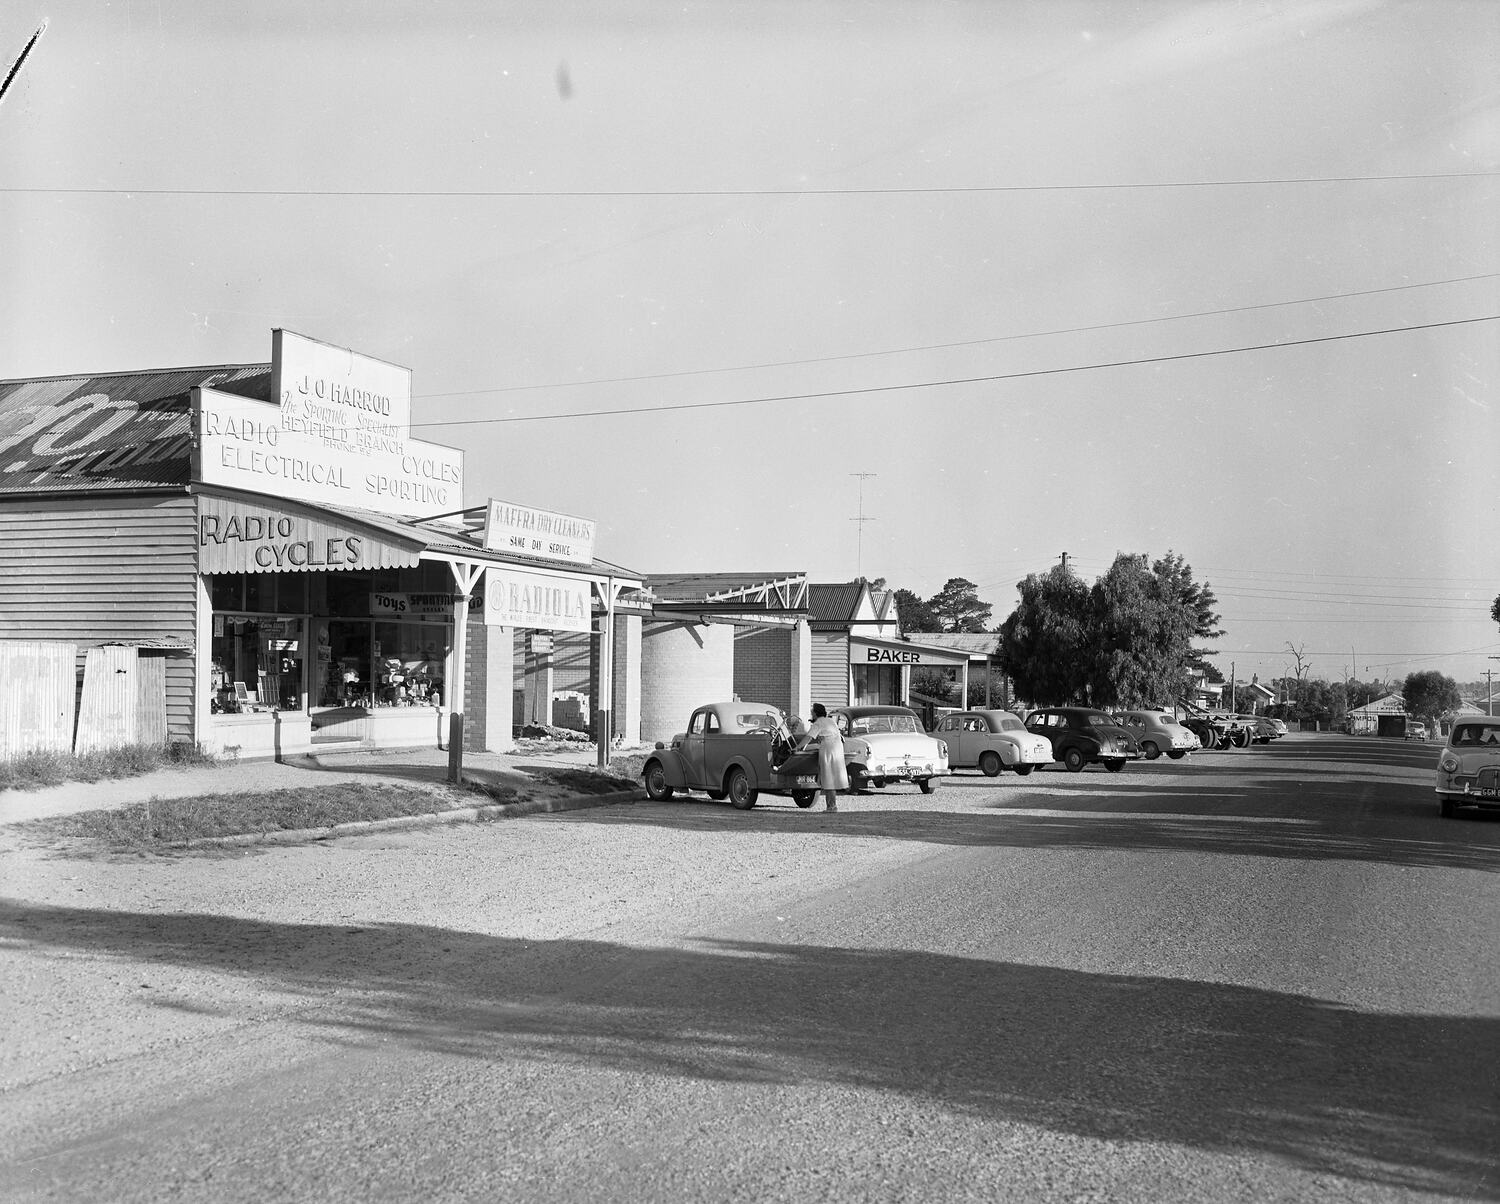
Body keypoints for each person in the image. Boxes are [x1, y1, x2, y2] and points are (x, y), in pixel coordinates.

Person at [796, 702, 848, 812]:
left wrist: (798, 748)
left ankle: (831, 807)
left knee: (828, 778)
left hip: (828, 749)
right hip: (837, 749)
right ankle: (832, 805)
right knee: (832, 778)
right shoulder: (830, 721)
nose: (811, 714)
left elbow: (808, 737)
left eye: (812, 712)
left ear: (815, 713)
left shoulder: (819, 723)